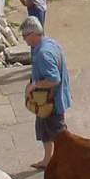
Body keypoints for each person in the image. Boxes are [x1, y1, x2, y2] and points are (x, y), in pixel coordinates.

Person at [21, 17, 72, 170]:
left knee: (60, 135)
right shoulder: (50, 43)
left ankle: (67, 163)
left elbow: (54, 79)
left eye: (25, 36)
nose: (24, 40)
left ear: (33, 34)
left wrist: (34, 85)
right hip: (51, 100)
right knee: (45, 131)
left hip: (51, 102)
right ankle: (48, 160)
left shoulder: (43, 53)